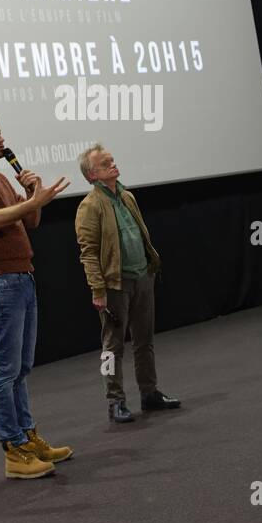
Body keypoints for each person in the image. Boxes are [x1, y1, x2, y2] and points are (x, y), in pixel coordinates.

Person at [0, 113, 73, 480]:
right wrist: (31, 202)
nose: (0, 139)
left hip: (20, 277)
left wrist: (34, 197)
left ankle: (27, 437)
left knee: (20, 369)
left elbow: (28, 223)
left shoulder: (0, 176)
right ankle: (13, 450)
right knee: (4, 370)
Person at [74, 143, 180, 424]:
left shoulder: (127, 197)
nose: (112, 163)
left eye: (112, 159)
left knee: (145, 340)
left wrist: (150, 266)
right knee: (112, 346)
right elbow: (88, 253)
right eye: (105, 162)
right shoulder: (90, 206)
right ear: (92, 175)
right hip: (114, 285)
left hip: (141, 276)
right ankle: (115, 401)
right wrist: (98, 289)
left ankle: (149, 393)